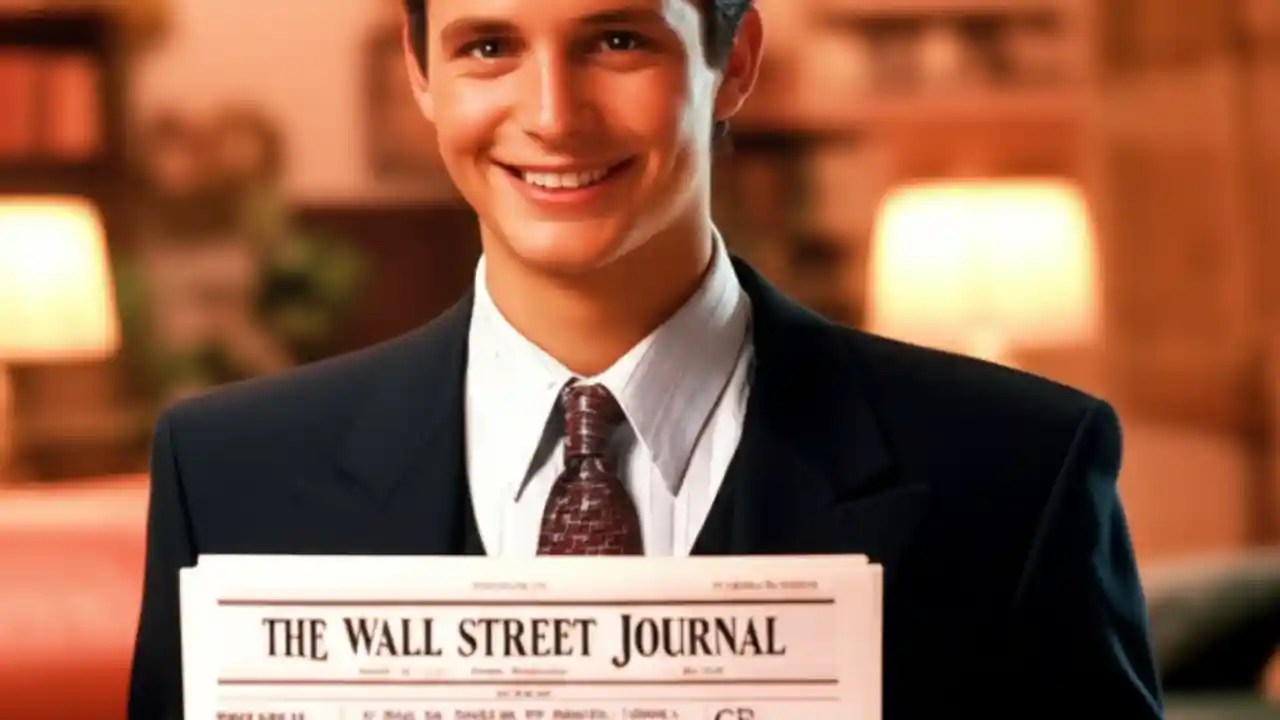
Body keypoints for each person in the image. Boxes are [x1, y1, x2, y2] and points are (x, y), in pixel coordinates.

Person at [128, 0, 1164, 717]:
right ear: (420, 75)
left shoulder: (1017, 471)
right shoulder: (227, 480)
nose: (550, 115)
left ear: (734, 62)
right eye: (486, 46)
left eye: (616, 39)